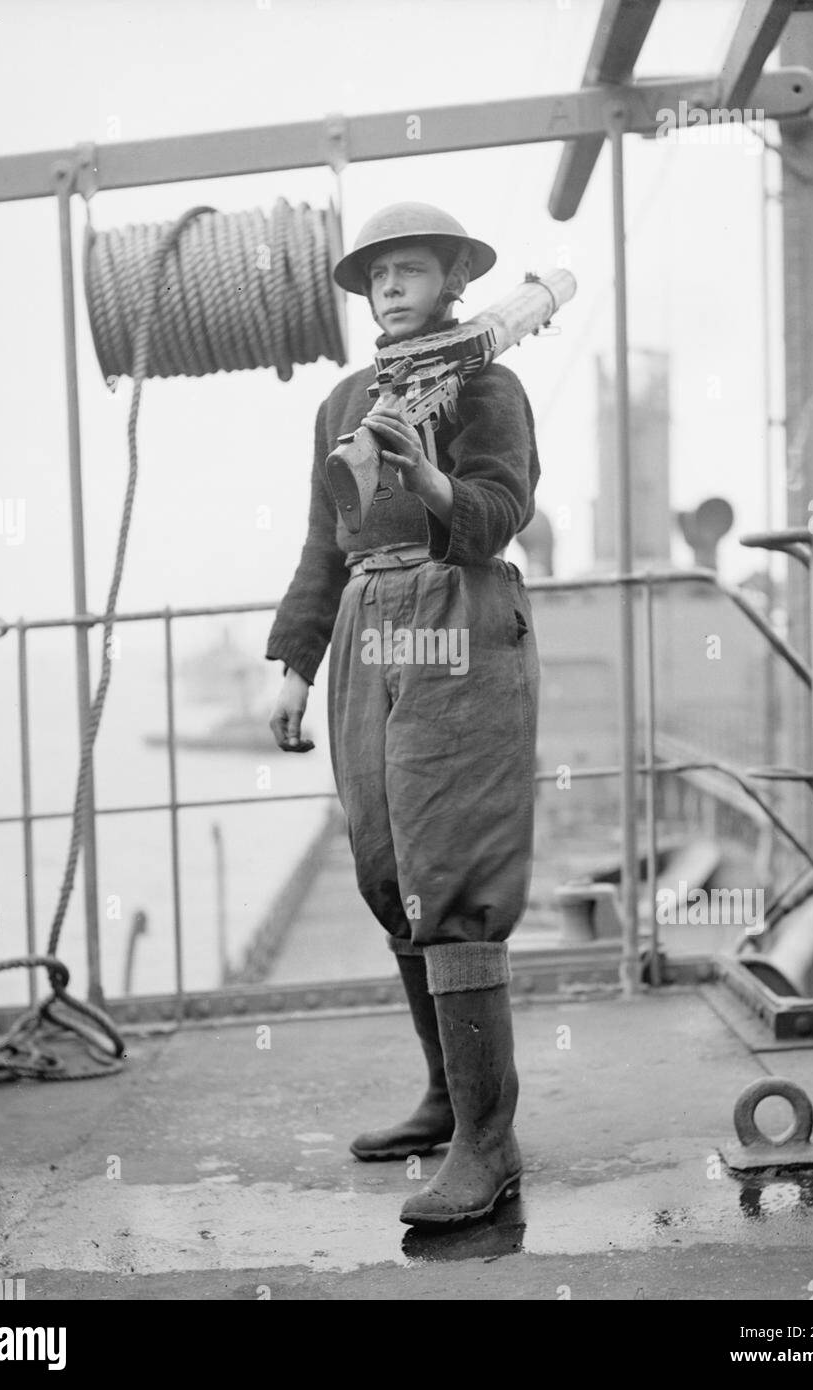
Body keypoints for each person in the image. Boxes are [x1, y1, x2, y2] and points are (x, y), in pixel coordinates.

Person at [266, 202, 541, 1226]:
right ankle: (444, 1098)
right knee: (386, 864)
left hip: (457, 609)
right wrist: (294, 659)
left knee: (452, 864)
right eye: (377, 272)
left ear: (454, 282)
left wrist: (425, 471)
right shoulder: (341, 396)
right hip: (365, 620)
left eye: (412, 269)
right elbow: (319, 543)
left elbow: (498, 512)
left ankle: (489, 1142)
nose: (390, 285)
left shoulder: (489, 382)